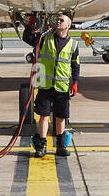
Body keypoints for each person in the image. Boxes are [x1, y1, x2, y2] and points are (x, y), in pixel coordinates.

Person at [32, 11, 80, 158]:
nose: (58, 22)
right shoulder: (45, 38)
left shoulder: (73, 44)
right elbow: (28, 38)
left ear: (67, 26)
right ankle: (42, 145)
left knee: (60, 117)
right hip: (45, 85)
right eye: (57, 20)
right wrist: (31, 23)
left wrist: (75, 82)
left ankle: (60, 146)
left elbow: (75, 65)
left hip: (62, 87)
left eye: (61, 20)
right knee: (44, 116)